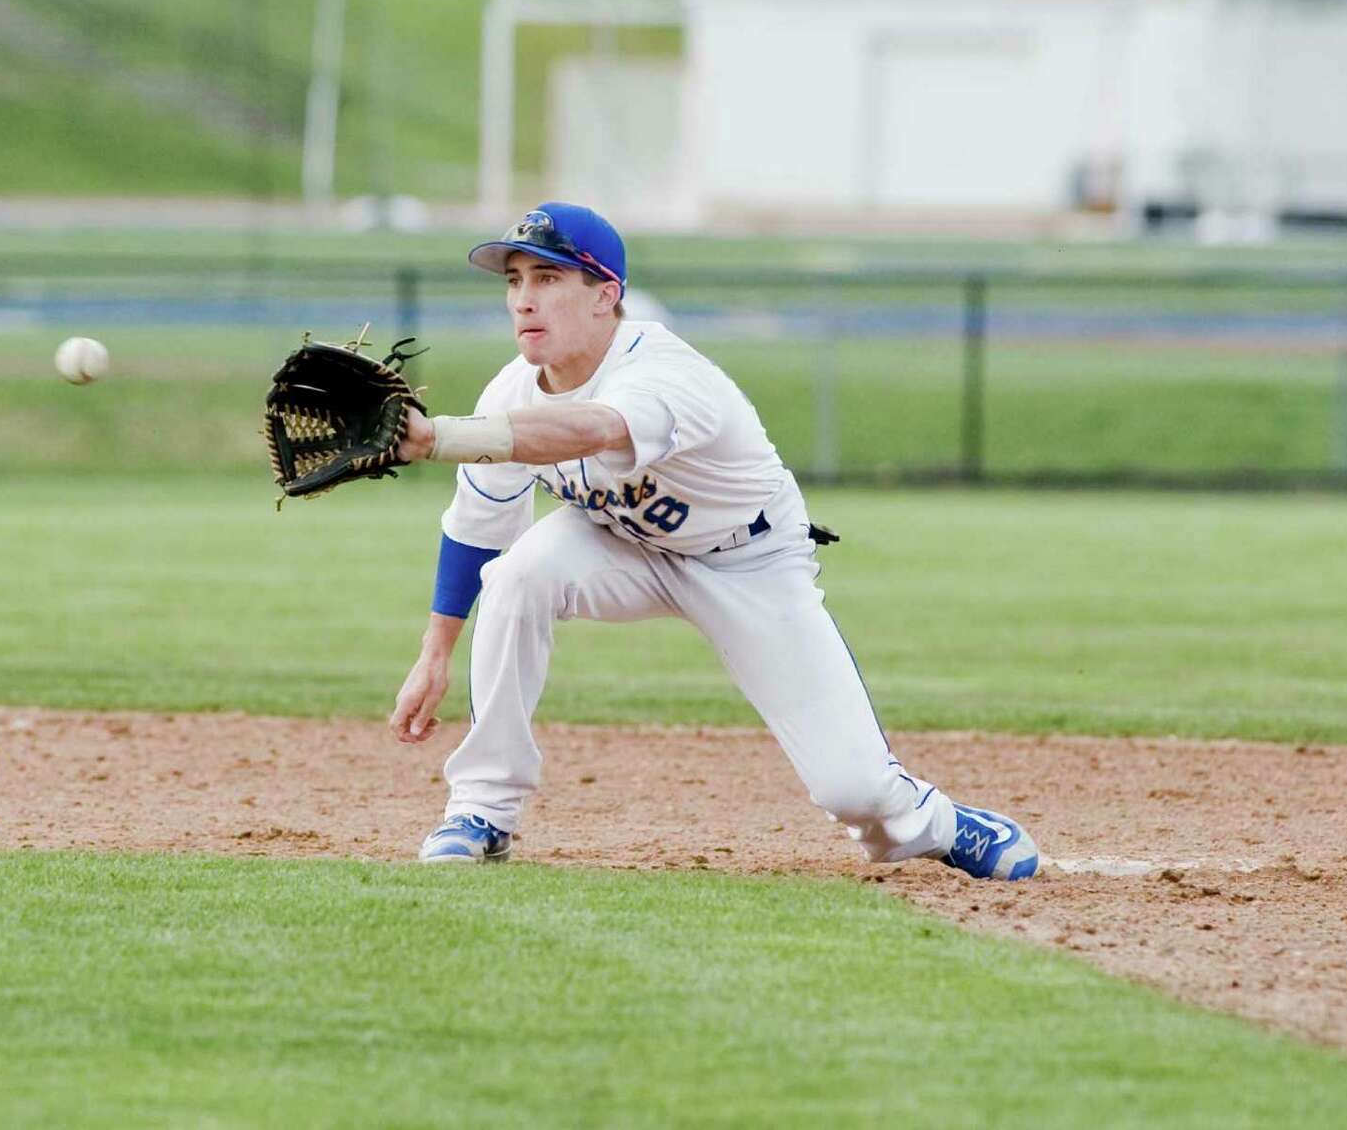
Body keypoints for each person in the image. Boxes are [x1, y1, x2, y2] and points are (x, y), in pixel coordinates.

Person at [384, 202, 1040, 881]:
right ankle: (483, 812)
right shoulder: (508, 392)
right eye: (513, 280)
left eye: (548, 278)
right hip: (620, 545)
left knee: (854, 791)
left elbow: (598, 429)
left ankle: (937, 822)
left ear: (606, 294)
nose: (524, 299)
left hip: (746, 559)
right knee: (520, 574)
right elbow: (477, 530)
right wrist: (435, 654)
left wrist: (441, 437)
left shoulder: (665, 370)